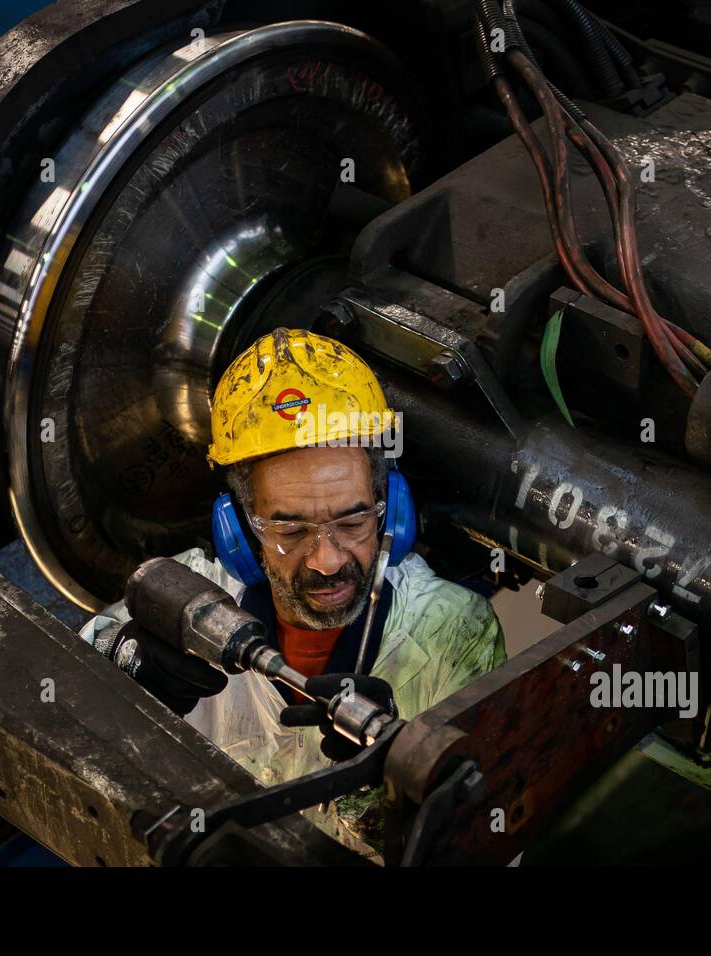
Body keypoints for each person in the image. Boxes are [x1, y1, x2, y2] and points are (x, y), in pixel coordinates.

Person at [79, 327, 506, 848]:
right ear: (237, 528)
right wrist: (118, 681)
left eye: (353, 523)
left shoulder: (452, 632)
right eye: (291, 530)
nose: (327, 561)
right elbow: (51, 715)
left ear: (390, 510)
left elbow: (481, 841)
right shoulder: (177, 599)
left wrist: (385, 785)